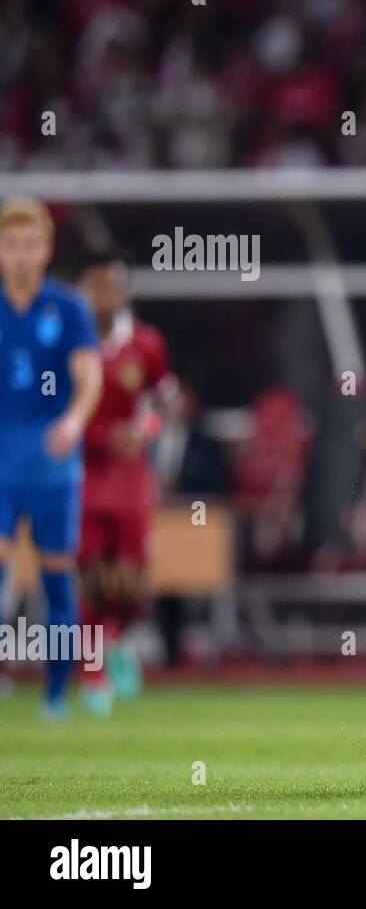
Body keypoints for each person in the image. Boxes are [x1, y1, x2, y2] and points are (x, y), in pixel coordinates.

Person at [0, 199, 102, 719]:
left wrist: (74, 421)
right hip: (1, 462)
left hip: (52, 464)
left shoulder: (69, 309)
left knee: (57, 578)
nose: (20, 256)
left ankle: (56, 693)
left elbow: (89, 378)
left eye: (30, 245)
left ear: (46, 249)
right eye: (11, 245)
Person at [76, 250, 177, 715]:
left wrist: (143, 432)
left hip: (131, 474)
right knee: (91, 577)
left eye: (113, 285)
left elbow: (168, 402)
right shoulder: (66, 342)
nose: (105, 294)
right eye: (96, 285)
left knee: (135, 586)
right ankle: (92, 673)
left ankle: (115, 638)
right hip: (83, 469)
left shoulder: (145, 343)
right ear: (82, 289)